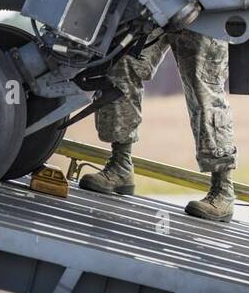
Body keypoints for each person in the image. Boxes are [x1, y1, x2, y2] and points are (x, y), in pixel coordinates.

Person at [81, 29, 238, 221]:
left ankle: (223, 191)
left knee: (205, 90)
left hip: (206, 12)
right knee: (122, 63)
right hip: (160, 5)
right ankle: (120, 165)